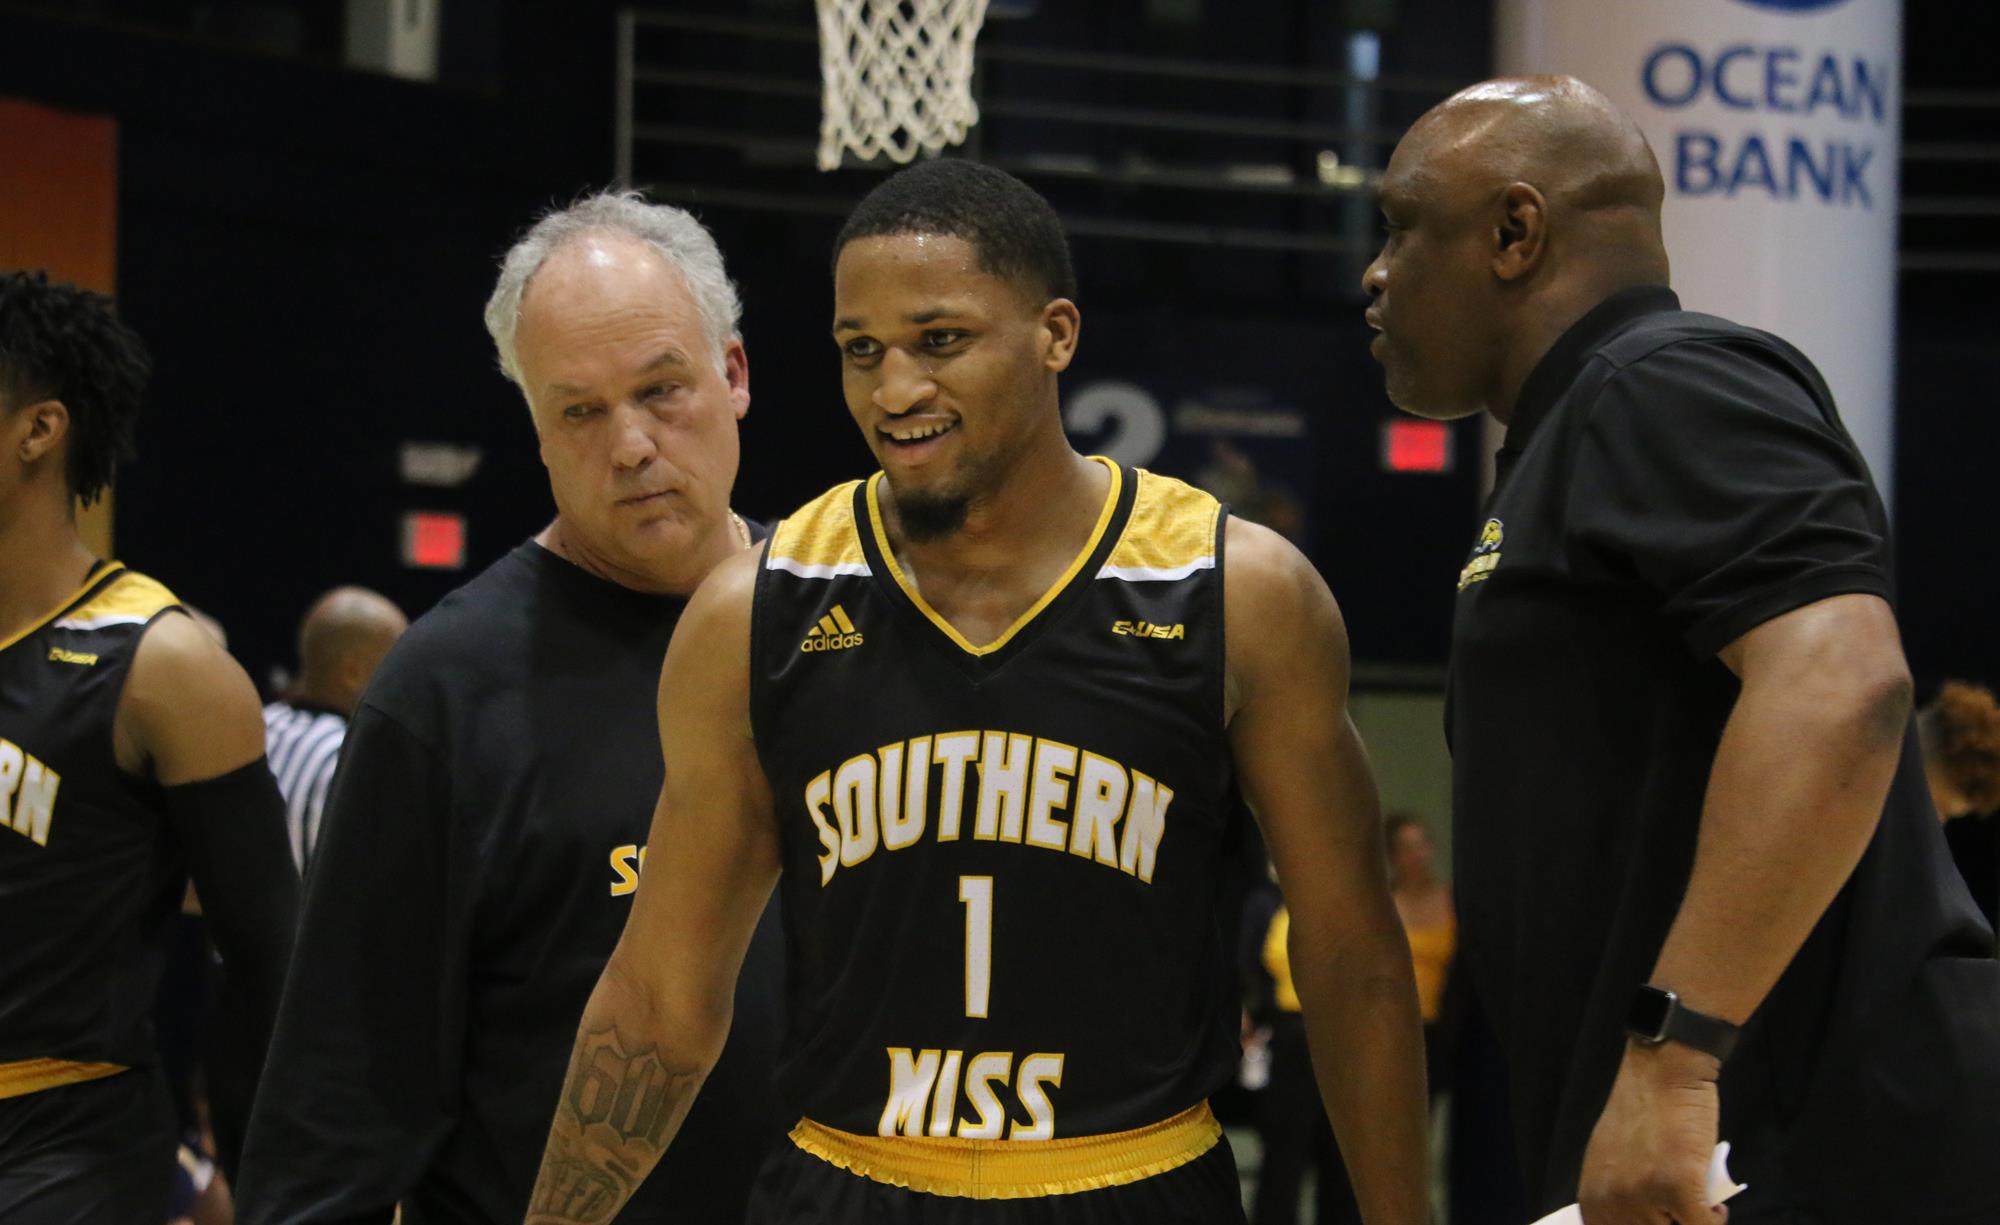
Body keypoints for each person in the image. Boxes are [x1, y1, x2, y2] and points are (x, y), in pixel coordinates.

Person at [520, 159, 1429, 1225]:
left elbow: (1349, 956)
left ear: (1055, 333)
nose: (894, 390)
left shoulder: (1238, 593)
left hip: (1133, 1184)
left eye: (939, 341)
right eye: (861, 351)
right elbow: (657, 999)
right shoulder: (752, 613)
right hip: (845, 1186)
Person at [1362, 75, 2000, 1224]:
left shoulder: (1658, 381)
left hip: (1800, 1140)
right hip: (1725, 1148)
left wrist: (1675, 1061)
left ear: (1515, 233)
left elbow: (1843, 683)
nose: (1374, 271)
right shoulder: (1573, 436)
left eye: (1401, 228)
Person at [234, 192, 785, 1225]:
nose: (629, 445)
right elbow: (335, 1111)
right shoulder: (446, 689)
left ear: (735, 374)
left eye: (661, 390)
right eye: (579, 409)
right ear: (535, 429)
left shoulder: (838, 630)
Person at [0, 270, 297, 1220]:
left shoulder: (164, 666)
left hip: (62, 1146)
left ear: (38, 430)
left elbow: (272, 967)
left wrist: (270, 1187)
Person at [262, 585, 408, 873]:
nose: (405, 681)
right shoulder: (352, 758)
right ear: (352, 674)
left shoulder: (258, 724)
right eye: (397, 663)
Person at [1383, 814, 1453, 1086]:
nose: (1418, 856)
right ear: (1393, 856)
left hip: (1439, 1025)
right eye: (1407, 848)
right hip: (1390, 1024)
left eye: (1422, 845)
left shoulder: (1450, 901)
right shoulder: (1384, 904)